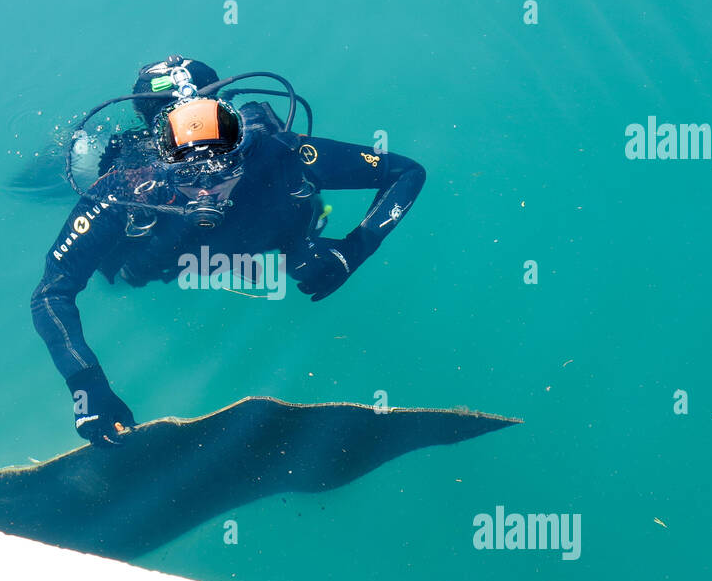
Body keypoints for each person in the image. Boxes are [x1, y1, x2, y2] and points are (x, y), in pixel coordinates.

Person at [30, 55, 426, 445]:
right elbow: (52, 292)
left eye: (223, 167)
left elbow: (405, 172)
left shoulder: (278, 154)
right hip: (162, 255)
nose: (207, 189)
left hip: (266, 236)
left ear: (243, 148)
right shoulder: (125, 187)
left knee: (304, 232)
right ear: (163, 163)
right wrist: (86, 386)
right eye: (187, 173)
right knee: (94, 197)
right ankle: (73, 159)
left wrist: (353, 252)